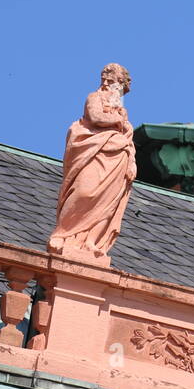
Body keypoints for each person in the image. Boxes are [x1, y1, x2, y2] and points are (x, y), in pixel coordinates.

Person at [48, 63, 136, 261]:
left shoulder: (123, 112)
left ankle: (91, 241)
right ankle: (63, 233)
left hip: (117, 159)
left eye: (115, 83)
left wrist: (132, 162)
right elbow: (95, 116)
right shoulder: (94, 97)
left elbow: (129, 142)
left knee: (107, 203)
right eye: (107, 81)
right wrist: (117, 121)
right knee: (84, 191)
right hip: (93, 150)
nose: (109, 85)